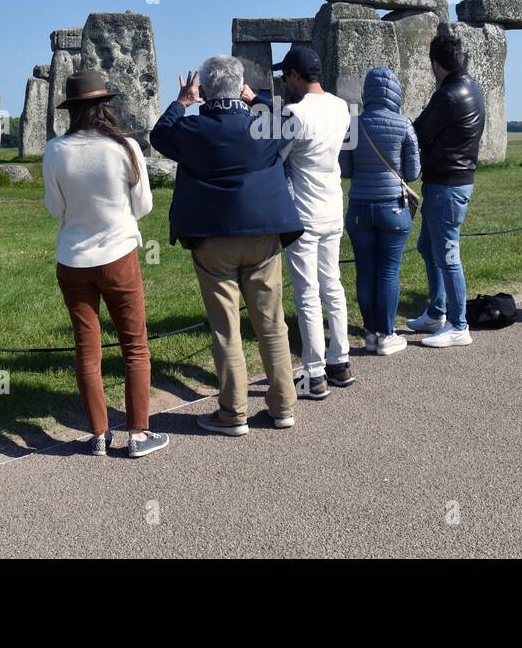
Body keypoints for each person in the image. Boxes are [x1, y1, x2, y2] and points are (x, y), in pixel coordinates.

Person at [149, 55, 303, 435]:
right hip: (264, 234)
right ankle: (283, 405)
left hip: (213, 236)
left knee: (226, 327)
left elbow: (158, 135)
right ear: (239, 87)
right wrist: (257, 100)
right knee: (271, 323)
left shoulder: (193, 129)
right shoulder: (262, 127)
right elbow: (292, 124)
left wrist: (182, 102)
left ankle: (233, 412)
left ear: (203, 91)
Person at [43, 70, 167, 459]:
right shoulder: (126, 147)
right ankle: (137, 434)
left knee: (86, 347)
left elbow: (55, 208)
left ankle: (98, 434)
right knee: (134, 345)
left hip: (73, 258)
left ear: (72, 110)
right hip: (119, 255)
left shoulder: (56, 150)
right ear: (103, 106)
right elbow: (143, 206)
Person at [268, 46, 354, 398]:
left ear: (294, 76)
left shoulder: (294, 112)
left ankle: (314, 371)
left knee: (307, 293)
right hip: (333, 204)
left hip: (304, 210)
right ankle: (341, 360)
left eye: (285, 76)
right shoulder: (341, 107)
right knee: (332, 285)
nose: (283, 82)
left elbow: (277, 153)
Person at [407, 33, 485, 348]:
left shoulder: (448, 95)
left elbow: (419, 131)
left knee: (449, 255)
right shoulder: (472, 88)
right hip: (454, 181)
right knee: (428, 248)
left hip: (446, 186)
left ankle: (458, 324)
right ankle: (437, 311)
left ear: (436, 64)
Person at [340, 67, 421, 356]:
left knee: (365, 272)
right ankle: (387, 335)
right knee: (388, 272)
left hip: (360, 206)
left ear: (367, 92)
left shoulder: (353, 124)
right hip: (393, 207)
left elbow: (345, 168)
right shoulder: (404, 124)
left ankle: (370, 332)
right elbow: (412, 172)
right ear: (396, 93)